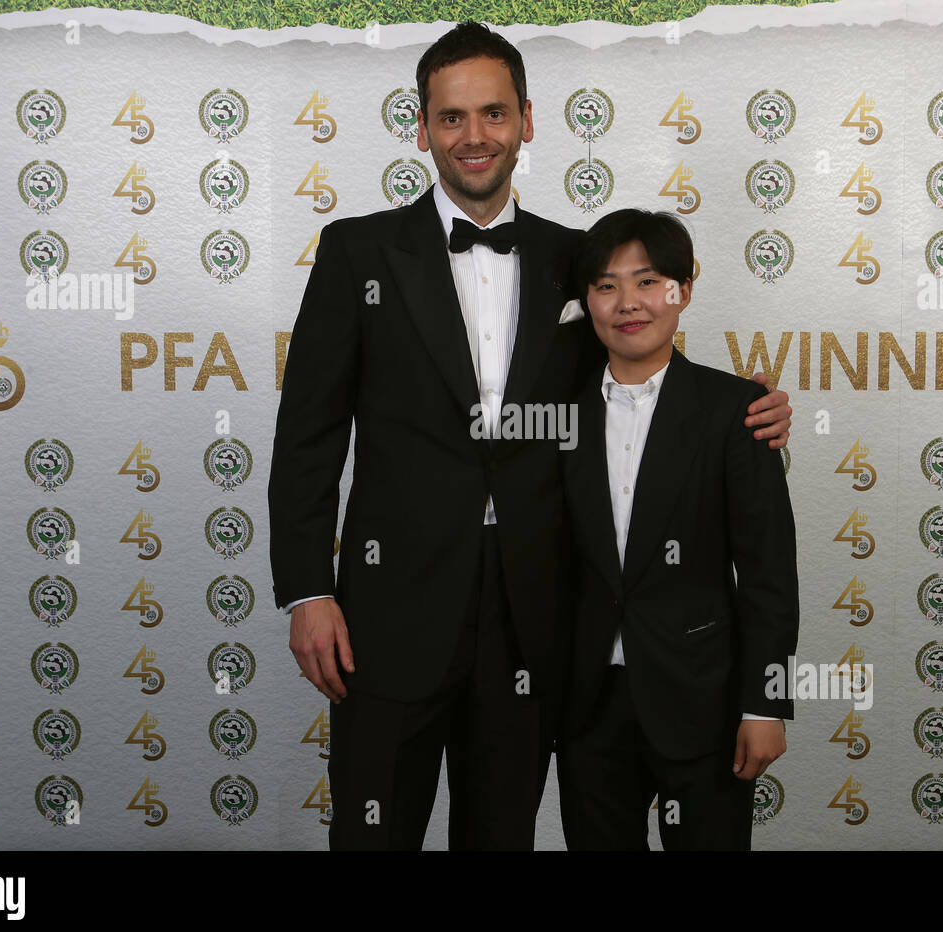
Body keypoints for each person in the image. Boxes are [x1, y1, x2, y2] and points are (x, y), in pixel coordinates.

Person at [267, 21, 792, 851]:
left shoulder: (570, 259)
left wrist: (743, 408)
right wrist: (307, 591)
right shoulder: (356, 252)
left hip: (534, 617)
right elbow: (307, 436)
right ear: (422, 129)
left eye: (494, 114)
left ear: (527, 121)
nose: (474, 136)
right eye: (452, 117)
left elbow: (634, 366)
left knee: (501, 836)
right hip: (388, 613)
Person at [556, 208, 799, 850]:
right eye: (606, 285)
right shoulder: (557, 416)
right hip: (587, 706)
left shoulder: (736, 411)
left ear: (682, 291)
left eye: (648, 281)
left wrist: (764, 704)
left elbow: (768, 572)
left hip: (705, 702)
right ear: (587, 300)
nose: (628, 303)